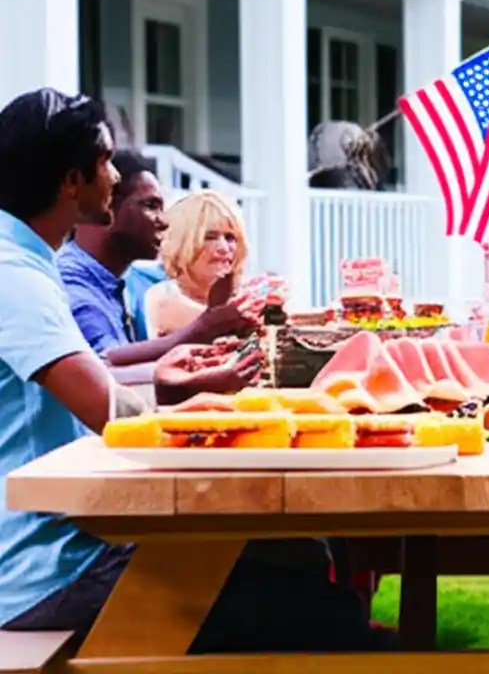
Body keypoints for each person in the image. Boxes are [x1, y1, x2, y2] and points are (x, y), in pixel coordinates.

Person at [0, 88, 388, 651]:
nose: (115, 175)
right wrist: (187, 400)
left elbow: (96, 393)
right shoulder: (18, 279)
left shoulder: (29, 262)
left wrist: (168, 384)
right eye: (106, 162)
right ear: (71, 181)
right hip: (48, 572)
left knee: (299, 555)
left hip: (75, 542)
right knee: (324, 614)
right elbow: (109, 414)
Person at [57, 150, 256, 366]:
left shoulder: (110, 284)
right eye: (150, 206)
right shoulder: (72, 283)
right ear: (104, 206)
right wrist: (201, 331)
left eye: (231, 237)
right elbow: (105, 369)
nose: (165, 222)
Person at [144, 189, 256, 339]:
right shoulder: (162, 298)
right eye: (209, 237)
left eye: (230, 238)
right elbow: (219, 326)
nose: (223, 248)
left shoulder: (248, 295)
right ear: (181, 243)